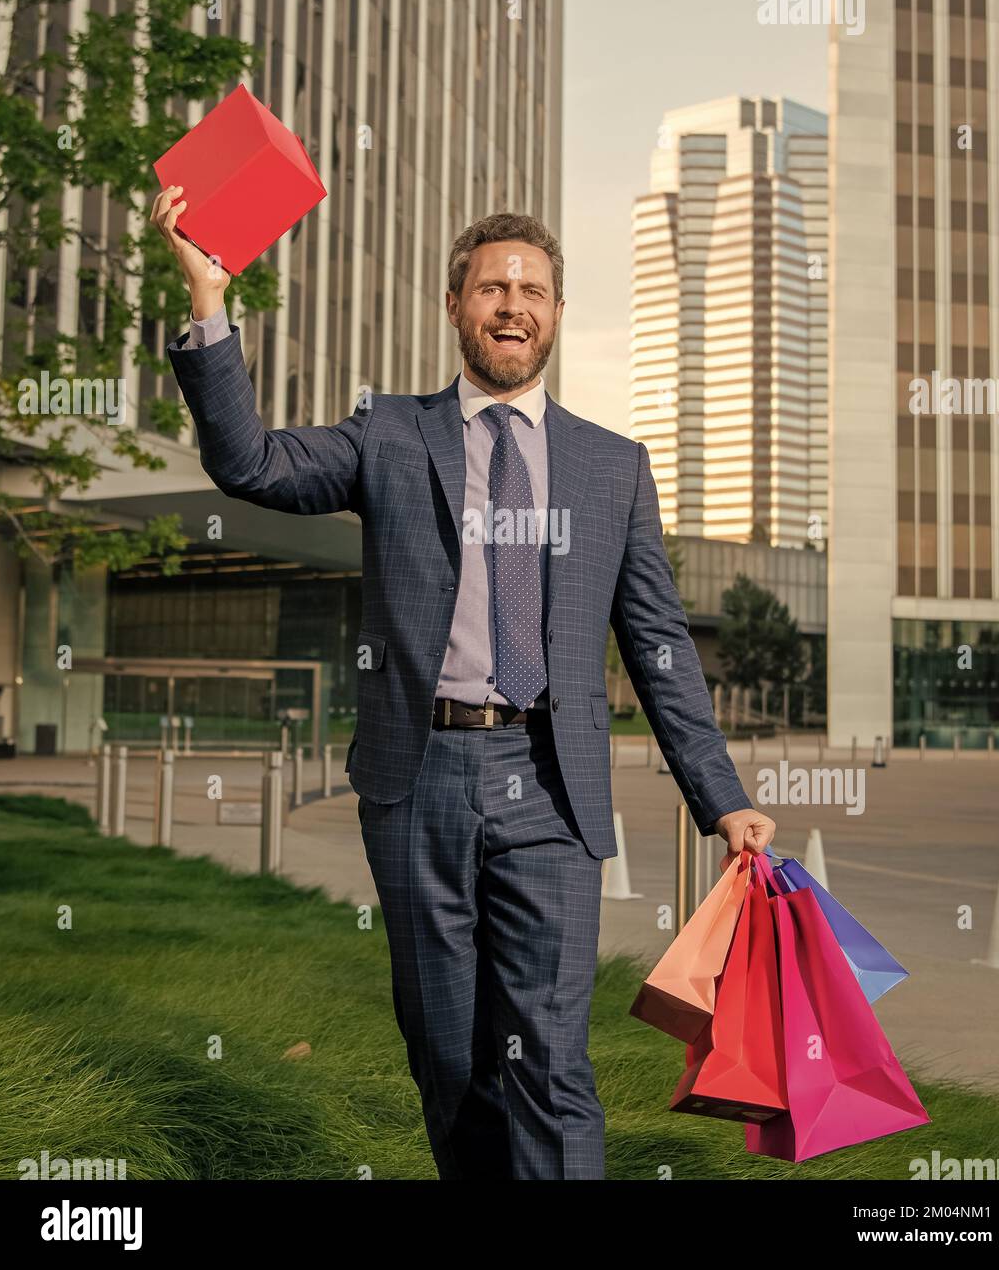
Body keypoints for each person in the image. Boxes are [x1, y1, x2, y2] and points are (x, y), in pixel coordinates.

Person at [152, 187, 777, 1180]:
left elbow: (658, 644)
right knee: (450, 1058)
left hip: (550, 784)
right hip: (419, 779)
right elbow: (254, 465)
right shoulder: (388, 435)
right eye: (492, 286)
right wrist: (207, 300)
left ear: (558, 312)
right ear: (456, 305)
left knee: (553, 1061)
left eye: (532, 288)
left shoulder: (613, 467)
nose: (512, 304)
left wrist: (724, 796)